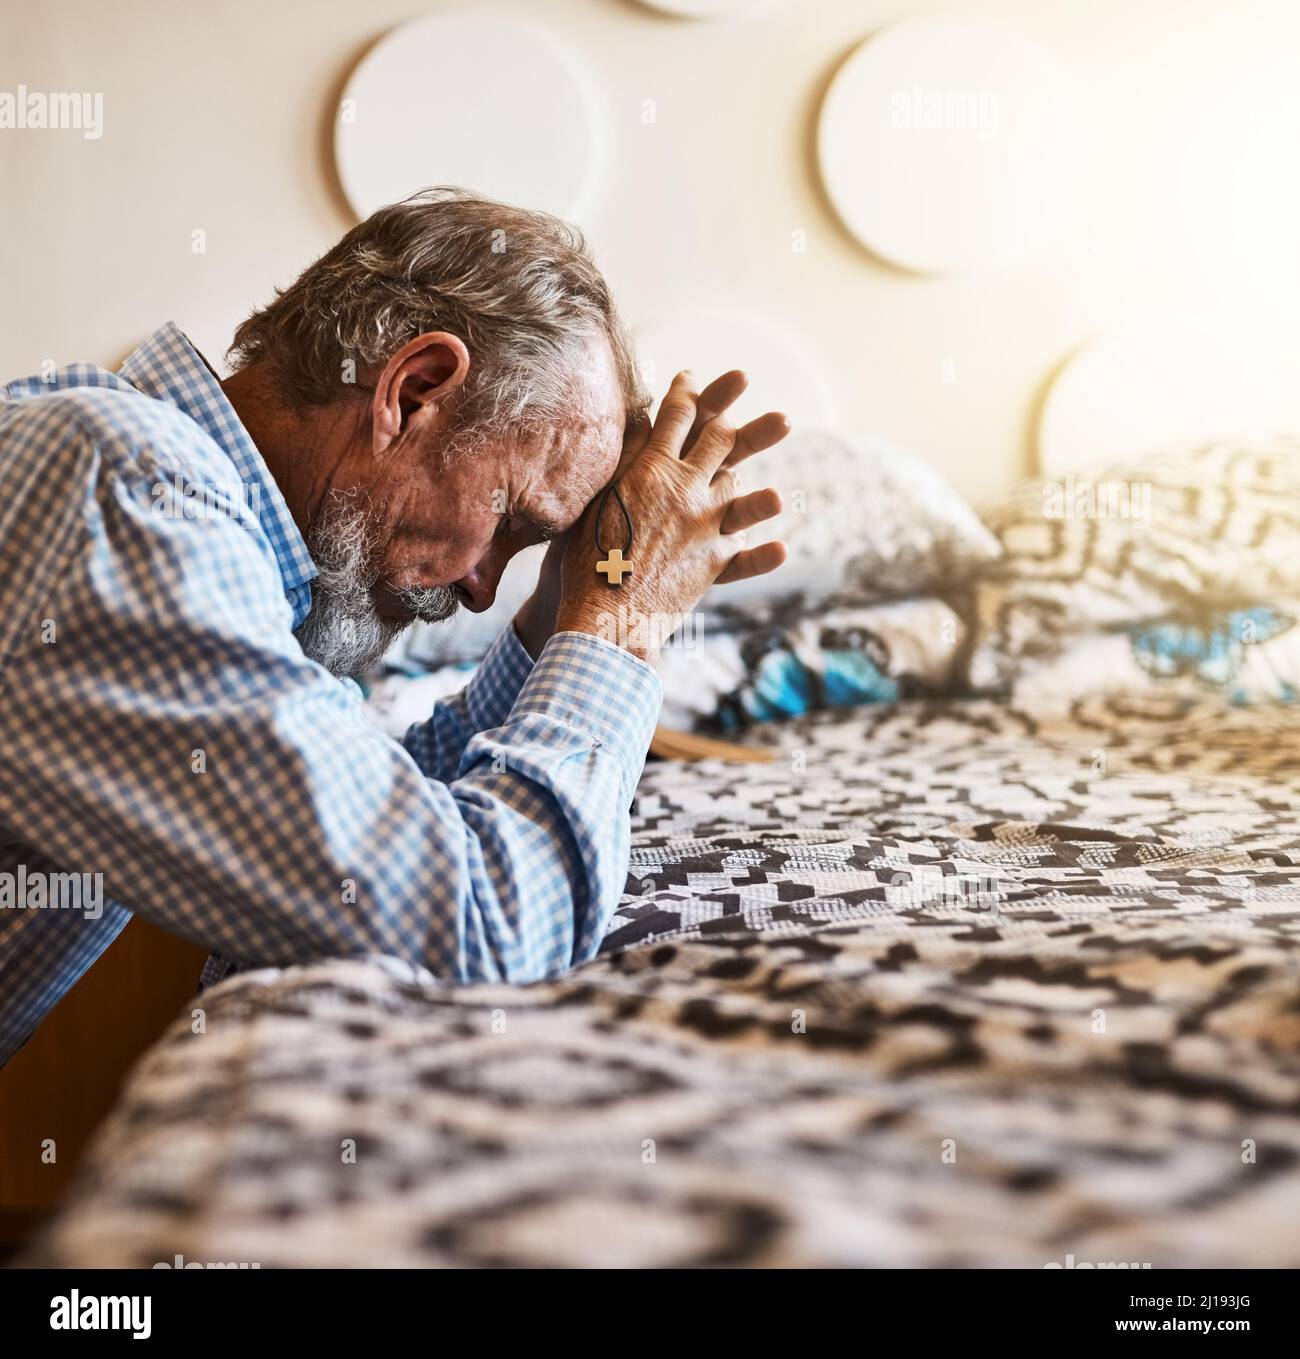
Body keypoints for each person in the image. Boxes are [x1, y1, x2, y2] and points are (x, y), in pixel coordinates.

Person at [0, 186, 789, 1064]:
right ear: (414, 392)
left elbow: (370, 821)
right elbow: (484, 930)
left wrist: (559, 610)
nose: (484, 589)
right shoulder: (128, 487)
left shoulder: (164, 496)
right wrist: (624, 614)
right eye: (513, 523)